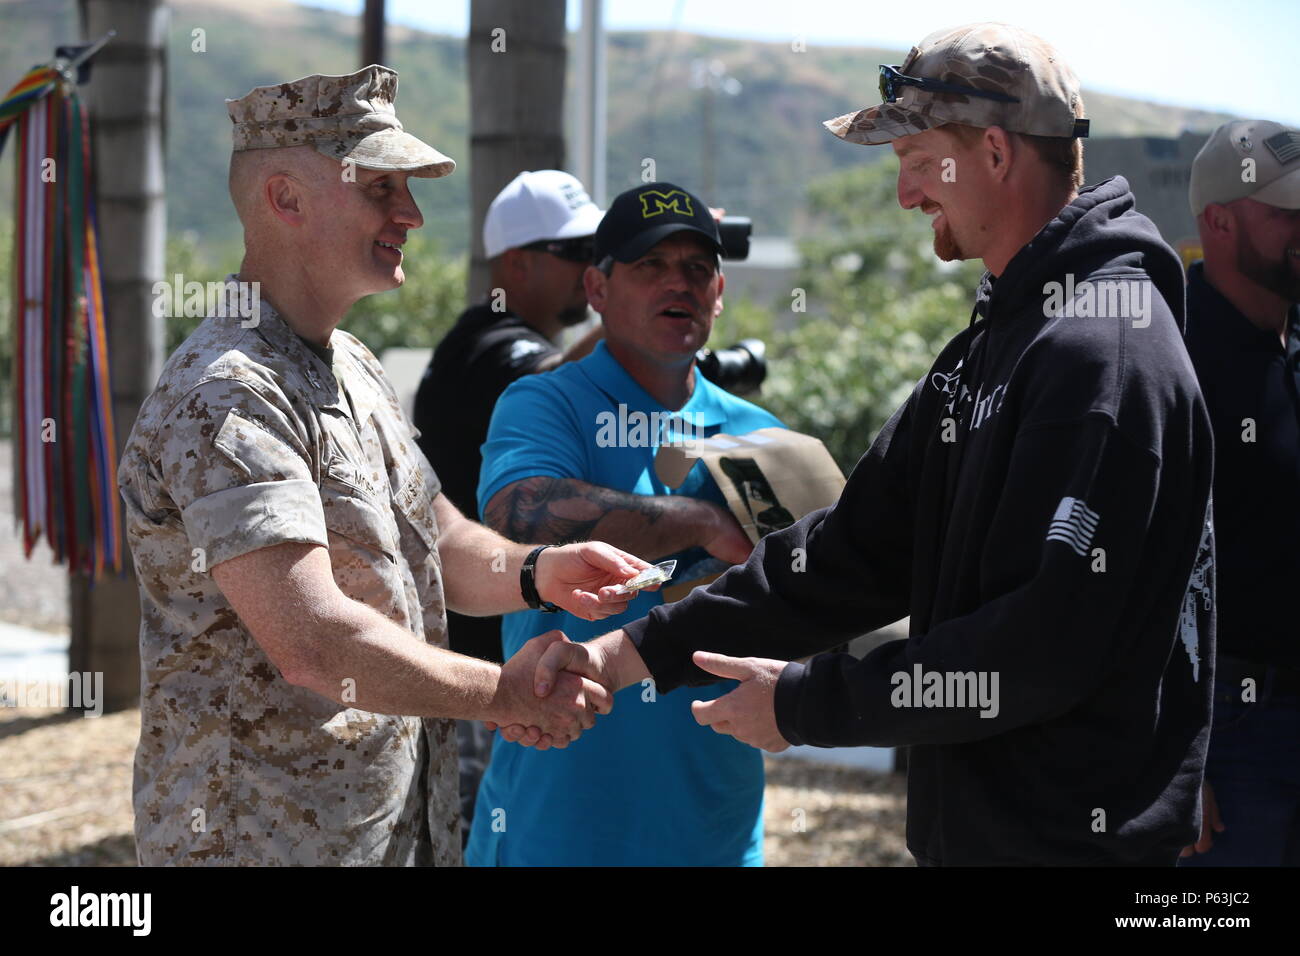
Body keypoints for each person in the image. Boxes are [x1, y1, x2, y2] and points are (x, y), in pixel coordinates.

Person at [520, 23, 1217, 866]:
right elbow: (851, 554)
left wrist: (806, 702)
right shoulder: (995, 345)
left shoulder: (1102, 351)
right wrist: (630, 651)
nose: (905, 194)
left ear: (994, 153)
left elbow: (1040, 651)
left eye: (916, 160)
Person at [116, 66, 648, 866]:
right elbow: (314, 641)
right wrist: (500, 693)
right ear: (285, 199)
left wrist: (540, 569)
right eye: (381, 189)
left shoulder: (351, 364)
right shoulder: (229, 394)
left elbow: (437, 541)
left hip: (379, 831)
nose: (413, 215)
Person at [465, 182, 783, 866]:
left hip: (715, 835)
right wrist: (699, 523)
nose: (680, 283)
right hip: (551, 830)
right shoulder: (543, 402)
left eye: (697, 268)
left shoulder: (762, 435)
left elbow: (809, 605)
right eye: (650, 266)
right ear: (597, 289)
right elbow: (518, 507)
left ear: (720, 291)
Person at [413, 170, 604, 837]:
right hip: (480, 670)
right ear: (515, 263)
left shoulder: (489, 342)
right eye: (578, 254)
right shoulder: (486, 347)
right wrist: (643, 308)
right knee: (483, 839)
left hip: (497, 662)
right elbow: (549, 384)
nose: (593, 271)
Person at [1180, 119, 1300, 866]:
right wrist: (1172, 757)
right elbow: (1121, 569)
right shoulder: (1164, 354)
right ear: (1218, 221)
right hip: (1224, 732)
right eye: (1287, 209)